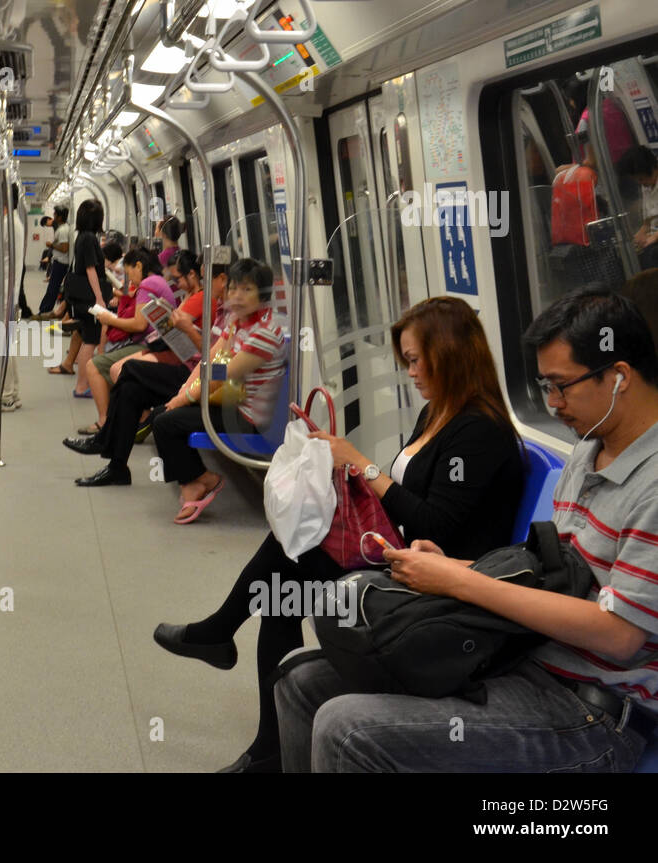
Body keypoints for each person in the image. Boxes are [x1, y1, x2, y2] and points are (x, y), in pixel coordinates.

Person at [275, 288, 658, 773]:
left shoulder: (651, 485)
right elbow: (554, 573)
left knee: (345, 727)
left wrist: (461, 582)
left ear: (619, 377)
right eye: (544, 388)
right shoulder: (590, 449)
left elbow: (621, 634)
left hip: (592, 710)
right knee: (301, 680)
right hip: (525, 657)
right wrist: (456, 565)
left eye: (562, 386)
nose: (554, 404)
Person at [156, 295, 526, 772]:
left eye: (416, 361)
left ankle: (225, 645)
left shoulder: (479, 433)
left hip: (442, 582)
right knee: (285, 581)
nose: (411, 373)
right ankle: (261, 728)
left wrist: (358, 463)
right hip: (408, 554)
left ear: (450, 354)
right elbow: (409, 502)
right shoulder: (441, 414)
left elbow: (437, 525)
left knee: (291, 562)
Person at [66, 259, 280, 489]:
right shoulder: (236, 320)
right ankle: (117, 466)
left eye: (246, 290)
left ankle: (107, 441)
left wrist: (185, 396)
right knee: (130, 387)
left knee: (135, 379)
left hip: (234, 405)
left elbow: (220, 373)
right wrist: (186, 390)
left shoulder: (260, 332)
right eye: (234, 288)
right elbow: (212, 361)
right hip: (217, 389)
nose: (237, 295)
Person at [80, 248, 175, 431]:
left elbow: (139, 325)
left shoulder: (147, 285)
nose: (130, 279)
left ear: (139, 265)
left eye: (130, 272)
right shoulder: (158, 282)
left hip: (149, 344)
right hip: (156, 342)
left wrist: (110, 319)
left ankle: (104, 421)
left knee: (94, 366)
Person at [62, 200, 111, 397]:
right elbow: (91, 269)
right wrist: (99, 298)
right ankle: (82, 386)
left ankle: (82, 384)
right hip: (89, 297)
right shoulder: (90, 238)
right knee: (90, 341)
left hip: (80, 297)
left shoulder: (82, 236)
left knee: (86, 339)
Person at [37, 206, 71, 316]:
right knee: (53, 287)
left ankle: (45, 310)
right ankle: (45, 309)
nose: (54, 216)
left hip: (61, 263)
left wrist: (51, 245)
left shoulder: (62, 231)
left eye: (55, 214)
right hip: (59, 262)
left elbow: (65, 248)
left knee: (53, 287)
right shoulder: (63, 228)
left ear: (60, 217)